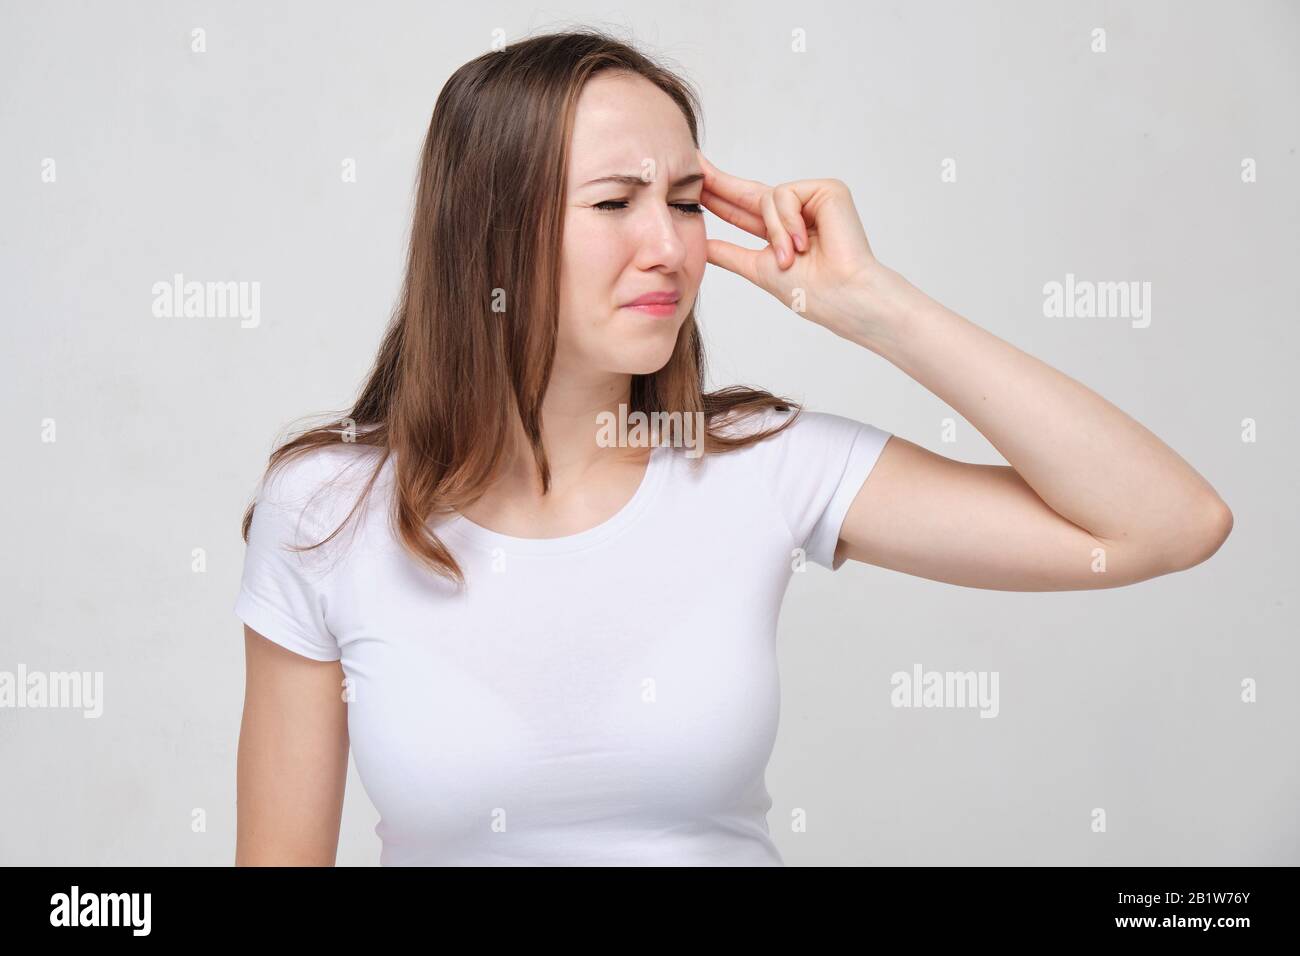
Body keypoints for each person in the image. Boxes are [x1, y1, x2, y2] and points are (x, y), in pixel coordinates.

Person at [233, 30, 1232, 867]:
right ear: (487, 233)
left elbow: (1167, 525)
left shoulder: (760, 463)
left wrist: (874, 308)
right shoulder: (325, 506)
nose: (669, 247)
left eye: (682, 201)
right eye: (614, 202)